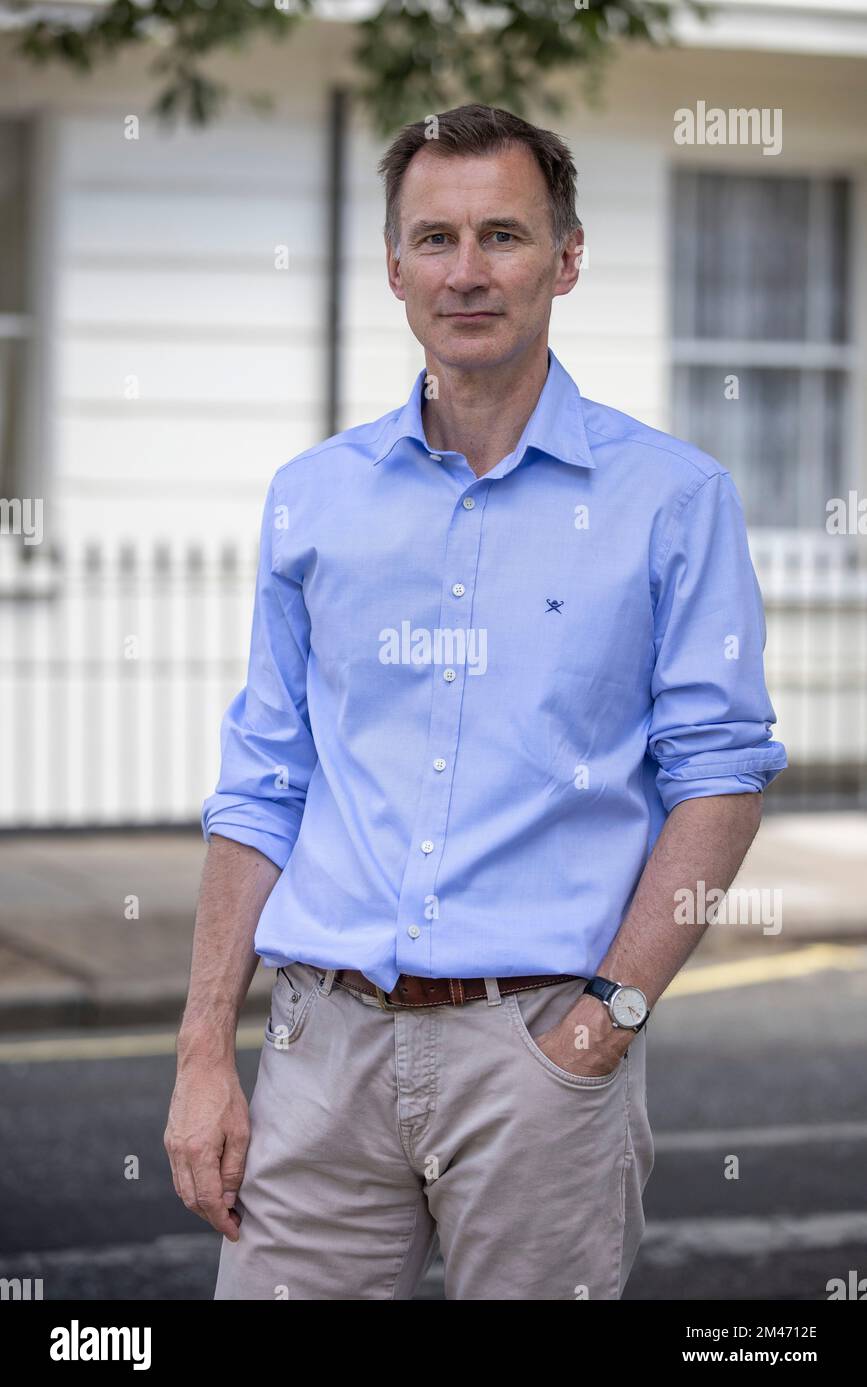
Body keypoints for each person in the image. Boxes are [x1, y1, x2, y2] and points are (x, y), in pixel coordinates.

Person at [164, 103, 787, 1301]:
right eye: (434, 238)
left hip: (542, 1053)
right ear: (393, 265)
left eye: (502, 234)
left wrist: (604, 1024)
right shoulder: (314, 498)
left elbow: (719, 776)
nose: (467, 271)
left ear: (567, 257)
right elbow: (264, 780)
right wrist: (204, 1052)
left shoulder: (673, 500)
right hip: (321, 1053)